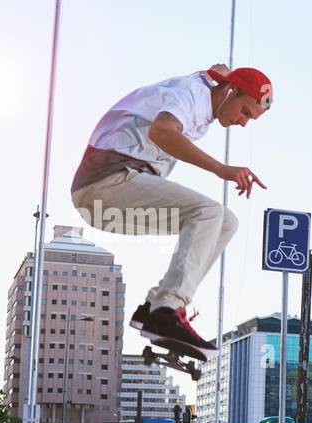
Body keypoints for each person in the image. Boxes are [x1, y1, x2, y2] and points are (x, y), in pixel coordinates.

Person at [71, 65, 273, 358]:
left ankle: (153, 310)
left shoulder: (205, 96)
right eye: (245, 112)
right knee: (209, 213)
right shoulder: (192, 96)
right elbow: (162, 130)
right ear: (231, 92)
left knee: (226, 221)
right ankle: (167, 309)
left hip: (112, 200)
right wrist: (221, 169)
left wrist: (224, 75)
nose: (243, 123)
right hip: (105, 184)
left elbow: (211, 77)